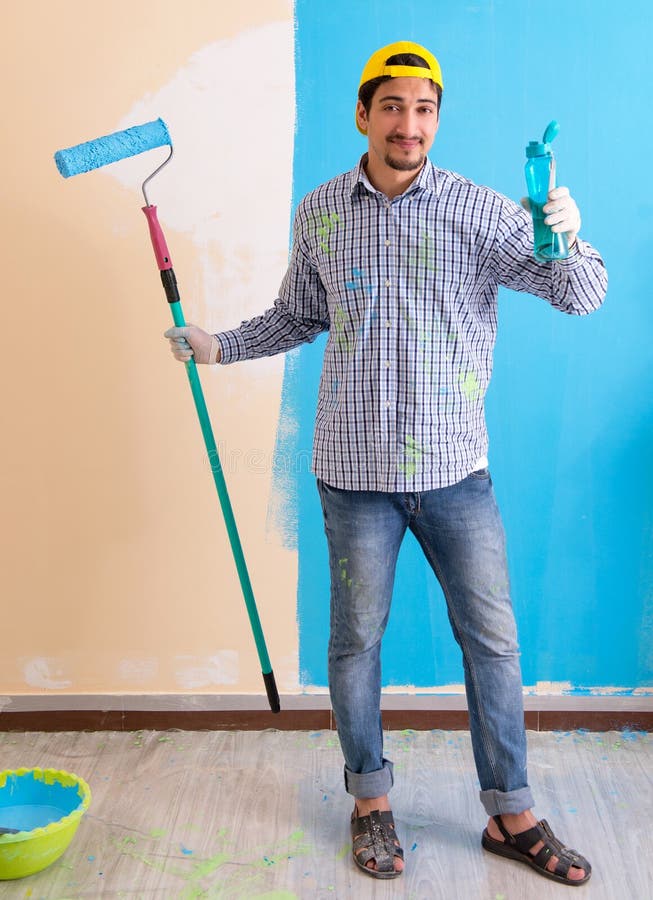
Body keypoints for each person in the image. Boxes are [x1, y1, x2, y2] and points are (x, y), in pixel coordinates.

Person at [165, 41, 607, 885]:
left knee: (493, 644)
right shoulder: (321, 212)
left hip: (454, 472)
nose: (409, 124)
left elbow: (579, 296)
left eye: (424, 109)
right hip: (353, 473)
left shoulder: (481, 212)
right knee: (355, 643)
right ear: (363, 115)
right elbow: (297, 316)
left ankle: (510, 813)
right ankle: (369, 803)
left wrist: (567, 239)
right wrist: (218, 345)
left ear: (436, 119)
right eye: (394, 107)